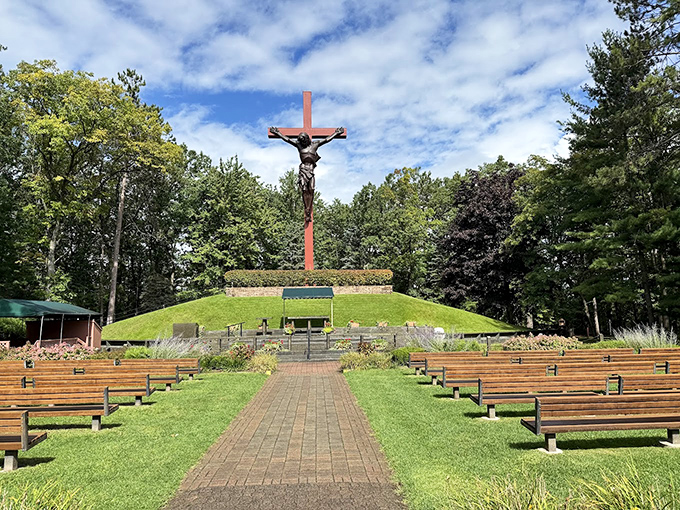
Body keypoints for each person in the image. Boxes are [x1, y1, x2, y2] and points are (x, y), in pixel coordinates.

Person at [269, 126, 344, 222]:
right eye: (301, 141)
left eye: (304, 141)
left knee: (311, 189)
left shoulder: (315, 145)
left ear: (307, 139)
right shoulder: (299, 146)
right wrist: (277, 133)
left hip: (311, 169)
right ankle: (307, 210)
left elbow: (326, 140)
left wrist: (336, 133)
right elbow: (288, 140)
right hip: (303, 169)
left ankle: (309, 207)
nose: (303, 143)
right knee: (305, 190)